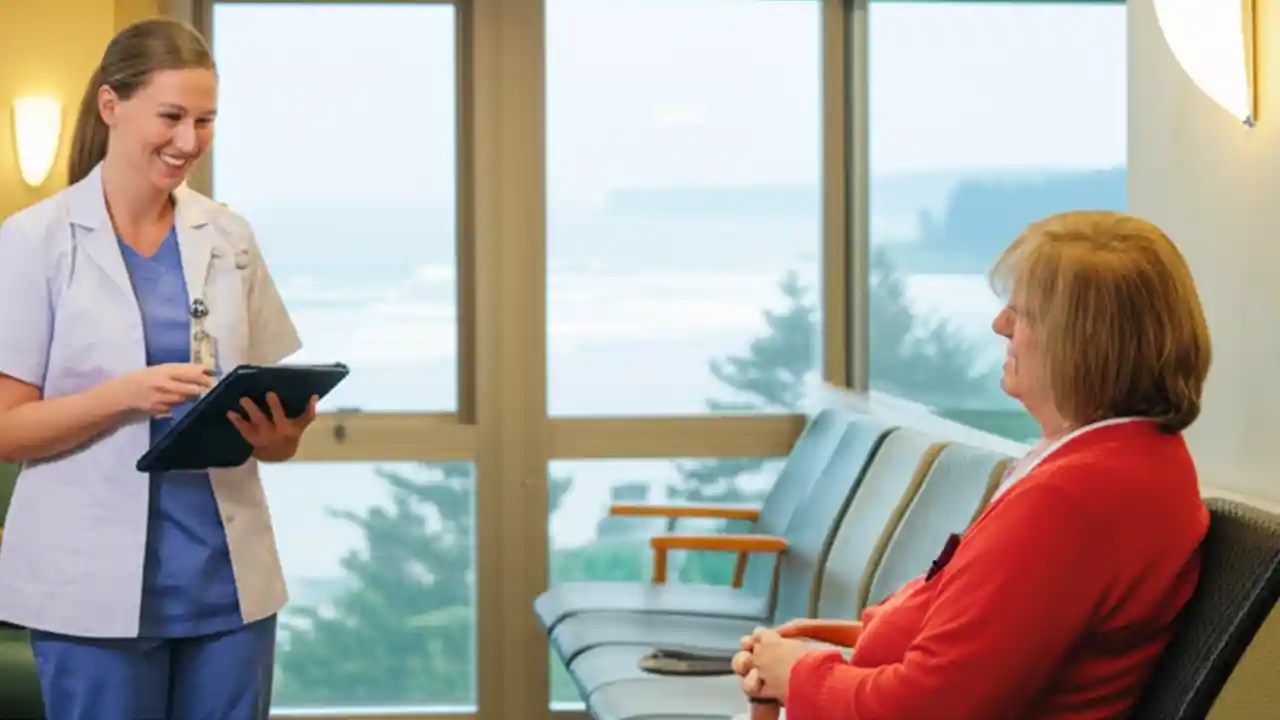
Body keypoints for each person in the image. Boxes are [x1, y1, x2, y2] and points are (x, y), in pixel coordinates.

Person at [733, 210, 1213, 719]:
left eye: (1023, 312)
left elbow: (929, 709)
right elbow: (987, 646)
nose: (1000, 324)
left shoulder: (1074, 499)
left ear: (1079, 344)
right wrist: (821, 651)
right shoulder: (1123, 462)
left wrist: (799, 673)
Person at [0, 19, 316, 719]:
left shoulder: (229, 235)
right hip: (88, 590)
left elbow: (276, 429)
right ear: (112, 105)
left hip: (227, 583)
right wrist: (123, 396)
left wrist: (278, 433)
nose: (188, 141)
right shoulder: (33, 243)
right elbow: (6, 430)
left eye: (204, 121)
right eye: (171, 116)